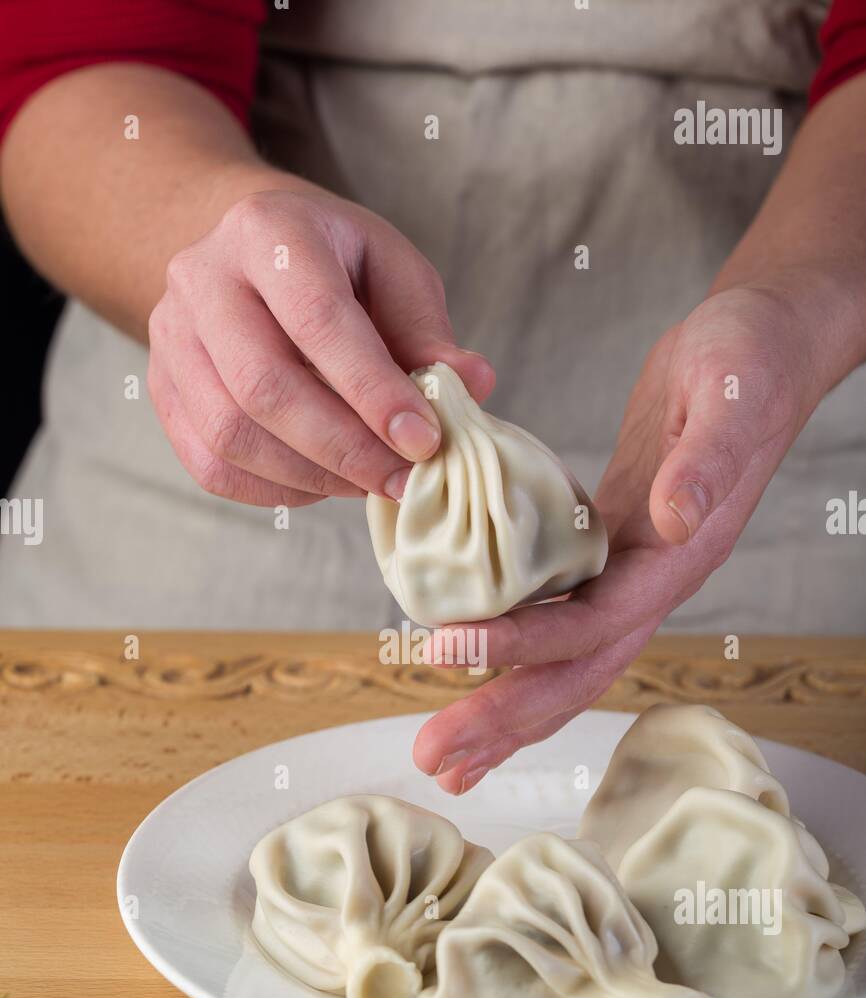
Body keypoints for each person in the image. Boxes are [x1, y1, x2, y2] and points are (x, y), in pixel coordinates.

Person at [1, 0, 865, 796]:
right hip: (194, 526)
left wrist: (800, 302)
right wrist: (233, 243)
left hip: (770, 487)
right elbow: (80, 60)